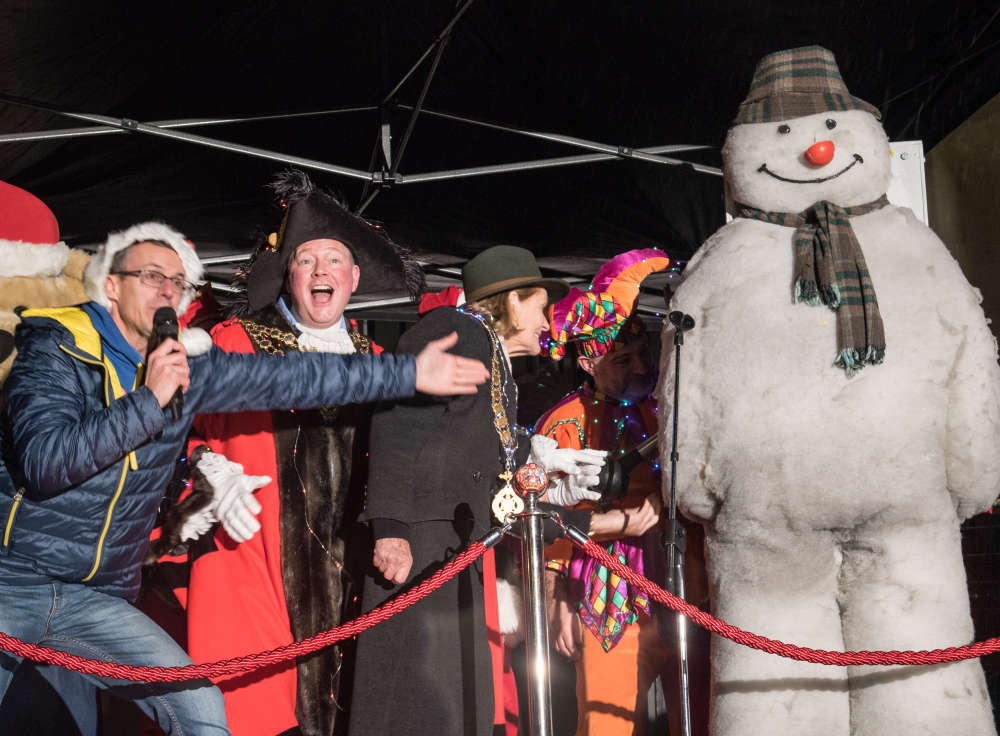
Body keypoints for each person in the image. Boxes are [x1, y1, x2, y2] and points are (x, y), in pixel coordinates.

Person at [0, 220, 488, 734]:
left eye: (176, 282)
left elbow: (290, 376)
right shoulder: (56, 350)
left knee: (201, 710)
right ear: (111, 286)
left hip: (96, 597)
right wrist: (161, 410)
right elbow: (46, 463)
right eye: (149, 276)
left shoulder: (186, 368)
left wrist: (407, 373)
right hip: (16, 584)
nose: (166, 291)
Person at [177, 170, 424, 736]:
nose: (320, 272)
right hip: (263, 565)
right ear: (288, 273)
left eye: (333, 261)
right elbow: (181, 435)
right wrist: (206, 470)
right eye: (307, 259)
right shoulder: (237, 343)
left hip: (360, 570)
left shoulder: (380, 359)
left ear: (354, 277)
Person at [349, 245, 612, 736]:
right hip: (422, 541)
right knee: (415, 694)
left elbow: (480, 456)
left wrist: (546, 479)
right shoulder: (451, 331)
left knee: (453, 699)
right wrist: (390, 528)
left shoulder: (491, 354)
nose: (547, 324)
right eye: (539, 306)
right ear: (512, 301)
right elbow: (397, 426)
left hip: (461, 543)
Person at [537, 249, 709, 736]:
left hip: (683, 589)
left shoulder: (665, 409)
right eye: (623, 359)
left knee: (702, 718)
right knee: (605, 726)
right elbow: (544, 523)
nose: (640, 368)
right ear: (589, 361)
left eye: (643, 356)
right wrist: (556, 604)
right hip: (605, 599)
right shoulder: (561, 425)